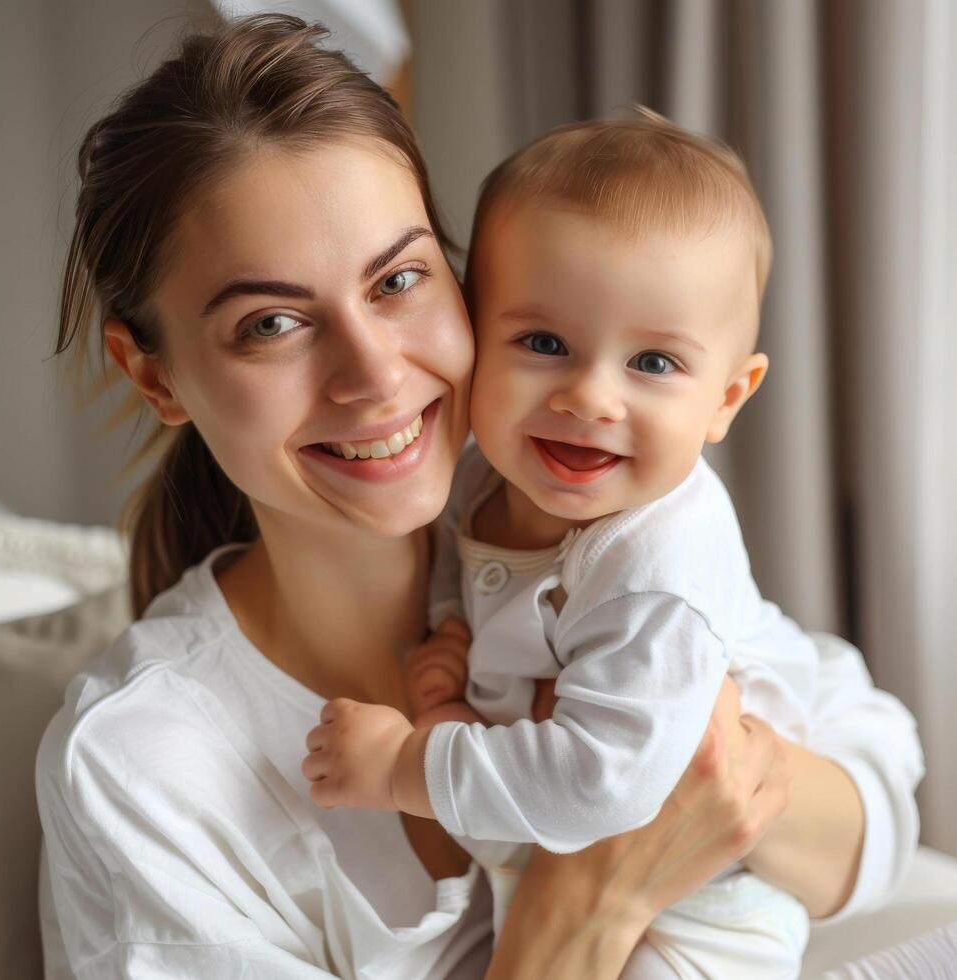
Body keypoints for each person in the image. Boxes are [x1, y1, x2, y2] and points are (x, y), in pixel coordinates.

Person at [34, 14, 923, 979]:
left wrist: (741, 782)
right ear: (153, 374)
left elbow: (876, 784)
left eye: (399, 279)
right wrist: (592, 897)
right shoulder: (139, 768)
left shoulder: (566, 519)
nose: (373, 375)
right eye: (273, 322)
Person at [301, 113, 828, 978]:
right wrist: (449, 642)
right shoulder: (475, 477)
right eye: (543, 344)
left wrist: (406, 763)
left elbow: (601, 784)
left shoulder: (657, 571)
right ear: (474, 335)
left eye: (653, 364)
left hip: (704, 911)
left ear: (729, 397)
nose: (589, 397)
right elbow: (464, 568)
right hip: (555, 874)